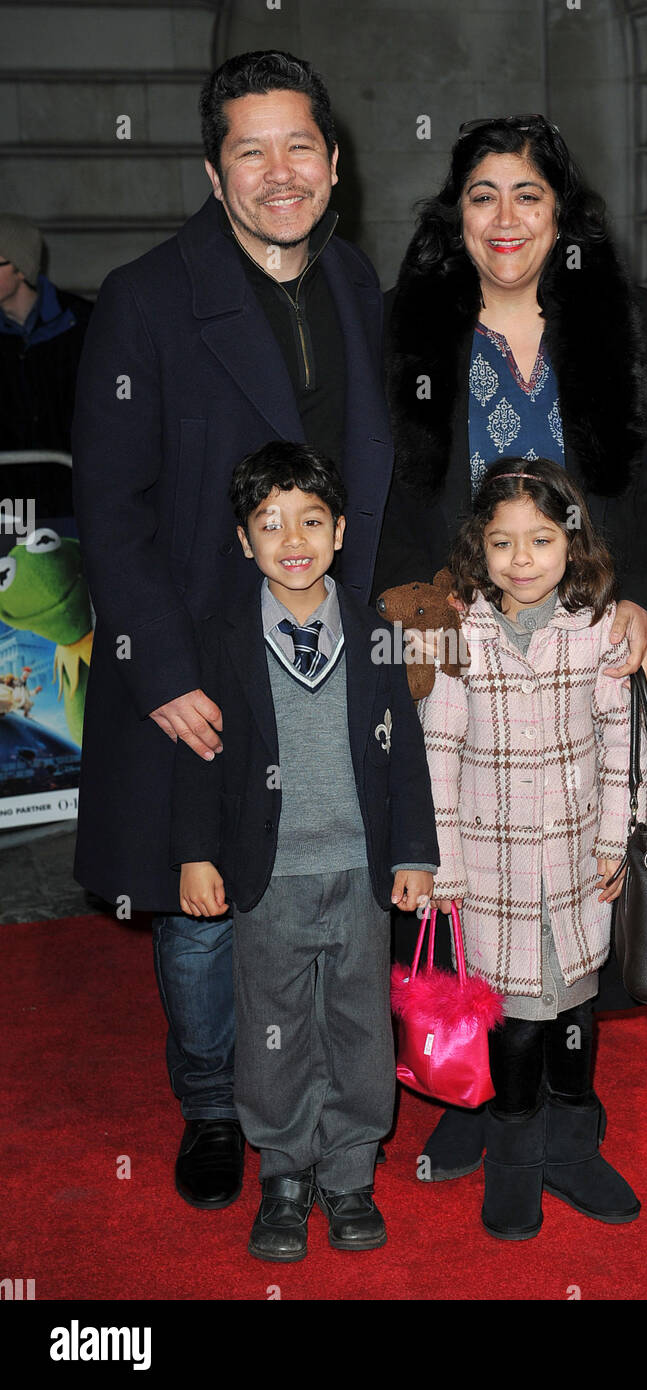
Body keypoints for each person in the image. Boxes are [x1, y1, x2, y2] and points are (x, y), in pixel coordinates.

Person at [374, 114, 647, 1188]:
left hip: (594, 658)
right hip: (460, 669)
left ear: (562, 215)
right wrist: (409, 616)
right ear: (455, 217)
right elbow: (380, 494)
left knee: (583, 885)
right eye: (481, 195)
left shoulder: (618, 328)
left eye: (527, 194)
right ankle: (476, 1093)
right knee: (459, 879)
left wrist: (645, 603)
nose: (505, 217)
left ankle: (569, 1113)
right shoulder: (406, 337)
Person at [71, 50, 393, 1212]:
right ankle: (211, 1102)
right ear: (215, 174)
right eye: (249, 151)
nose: (277, 172)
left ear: (333, 160)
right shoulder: (146, 300)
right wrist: (157, 665)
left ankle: (328, 1088)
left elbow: (379, 477)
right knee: (204, 893)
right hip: (200, 655)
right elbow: (109, 506)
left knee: (327, 881)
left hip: (329, 651)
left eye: (297, 146)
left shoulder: (358, 284)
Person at [171, 442, 437, 1260]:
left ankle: (350, 1170)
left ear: (342, 531)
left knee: (359, 1024)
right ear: (245, 541)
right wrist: (196, 853)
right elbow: (199, 757)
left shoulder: (375, 633)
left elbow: (407, 757)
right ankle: (285, 1173)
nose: (293, 538)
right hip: (267, 877)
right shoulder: (217, 638)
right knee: (274, 1027)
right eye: (270, 523)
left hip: (359, 874)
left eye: (311, 520)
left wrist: (411, 854)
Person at [418, 458, 645, 1238]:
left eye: (541, 540)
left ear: (571, 542)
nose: (521, 560)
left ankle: (573, 1150)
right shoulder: (460, 632)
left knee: (575, 1011)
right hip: (489, 874)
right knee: (512, 1022)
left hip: (578, 869)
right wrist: (442, 862)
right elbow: (437, 754)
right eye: (502, 542)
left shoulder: (597, 628)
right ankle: (513, 1157)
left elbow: (622, 744)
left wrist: (616, 836)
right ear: (477, 548)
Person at [0, 213, 92, 515]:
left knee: (67, 560)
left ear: (22, 268)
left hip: (74, 492)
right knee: (19, 560)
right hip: (10, 499)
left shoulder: (83, 323)